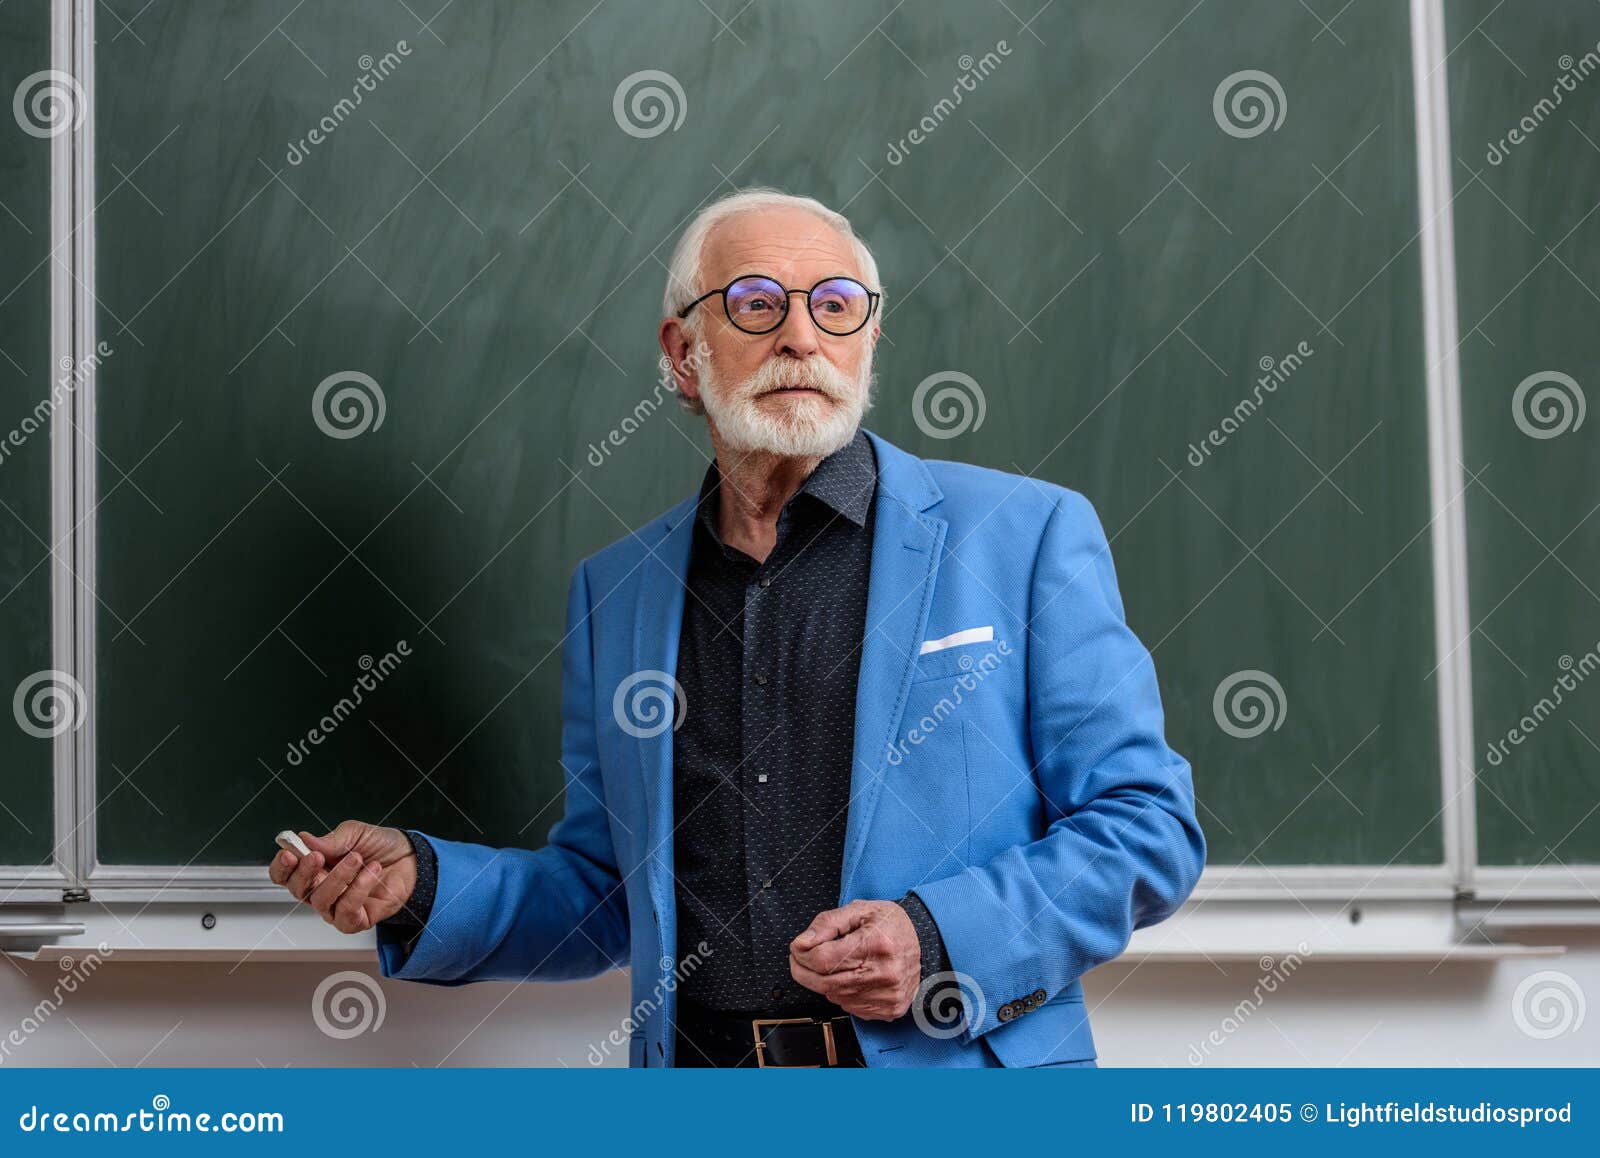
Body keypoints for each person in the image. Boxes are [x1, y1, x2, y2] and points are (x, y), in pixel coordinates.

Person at [269, 188, 1205, 1068]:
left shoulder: (1025, 538)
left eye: (837, 304)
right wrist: (426, 886)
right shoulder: (618, 593)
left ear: (868, 338)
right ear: (684, 354)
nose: (801, 336)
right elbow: (607, 888)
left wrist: (937, 939)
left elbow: (1149, 829)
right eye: (756, 304)